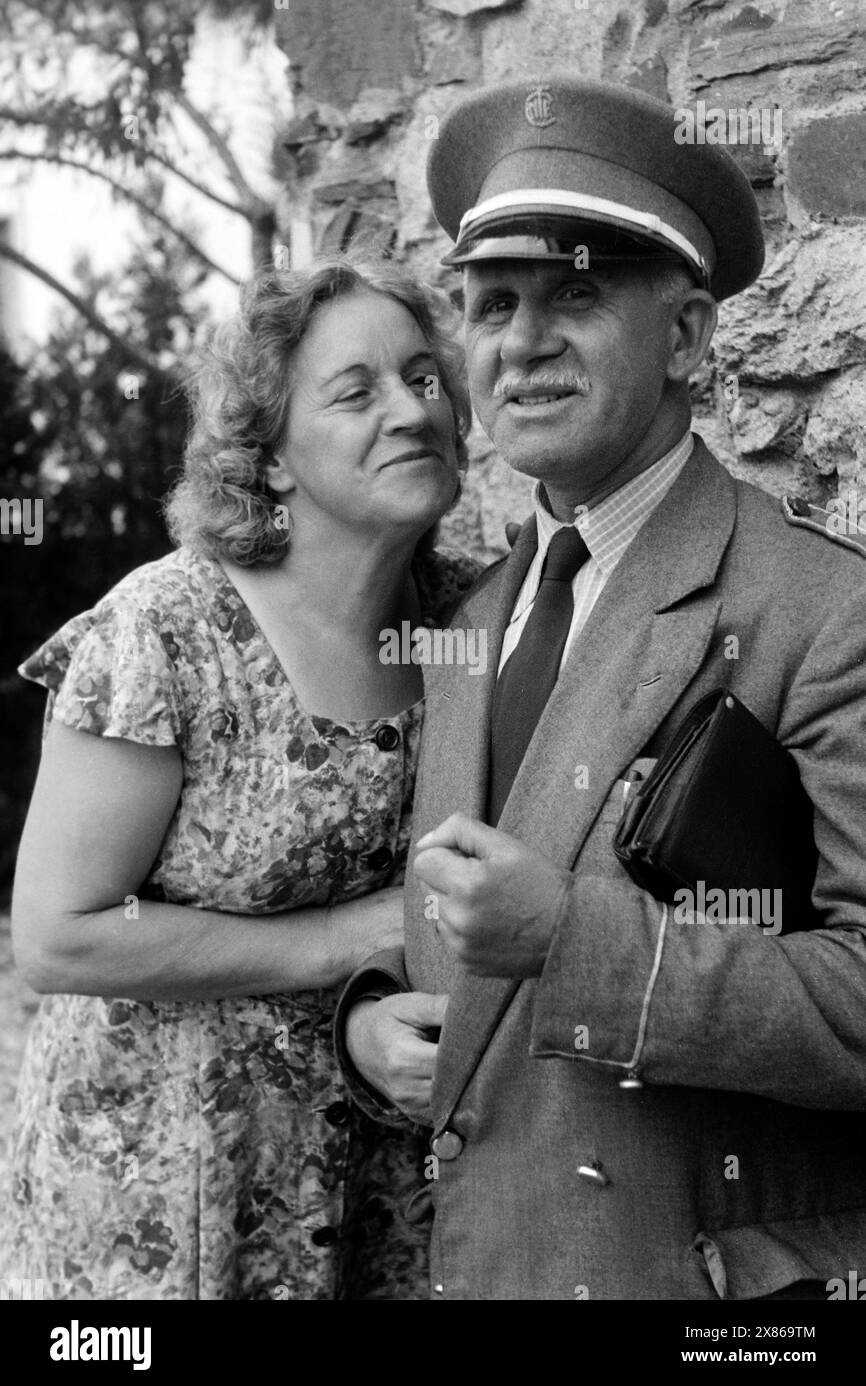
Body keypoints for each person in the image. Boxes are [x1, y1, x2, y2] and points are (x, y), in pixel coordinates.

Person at [339, 77, 866, 1301]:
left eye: (575, 292)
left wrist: (573, 941)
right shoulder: (469, 625)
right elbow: (455, 933)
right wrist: (375, 1027)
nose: (519, 342)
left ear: (685, 336)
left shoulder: (820, 613)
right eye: (491, 303)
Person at [2, 256, 479, 1300]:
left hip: (376, 1185)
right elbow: (54, 933)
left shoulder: (468, 622)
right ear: (267, 461)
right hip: (161, 1191)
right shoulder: (168, 632)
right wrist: (346, 938)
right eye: (355, 392)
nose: (409, 409)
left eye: (423, 378)